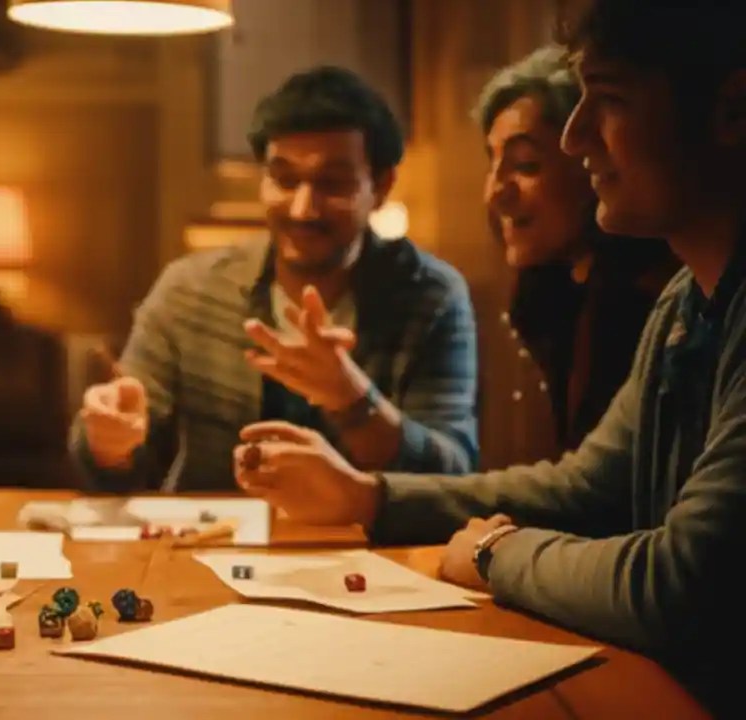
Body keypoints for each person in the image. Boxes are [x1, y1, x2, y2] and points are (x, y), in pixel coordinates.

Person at [233, 1, 746, 712]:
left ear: (732, 109)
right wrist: (370, 497)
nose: (576, 137)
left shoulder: (454, 292)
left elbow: (678, 586)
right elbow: (584, 489)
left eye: (610, 99)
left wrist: (492, 554)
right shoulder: (688, 302)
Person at [71, 65, 478, 492]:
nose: (303, 209)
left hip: (367, 550)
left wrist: (352, 401)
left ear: (380, 186)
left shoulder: (430, 295)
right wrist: (109, 441)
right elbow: (121, 463)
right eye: (284, 179)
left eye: (332, 184)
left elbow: (451, 478)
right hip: (213, 544)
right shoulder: (189, 290)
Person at [477, 44, 680, 455]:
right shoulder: (552, 294)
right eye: (492, 161)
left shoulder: (651, 299)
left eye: (525, 164)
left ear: (590, 159)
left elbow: (598, 497)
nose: (496, 191)